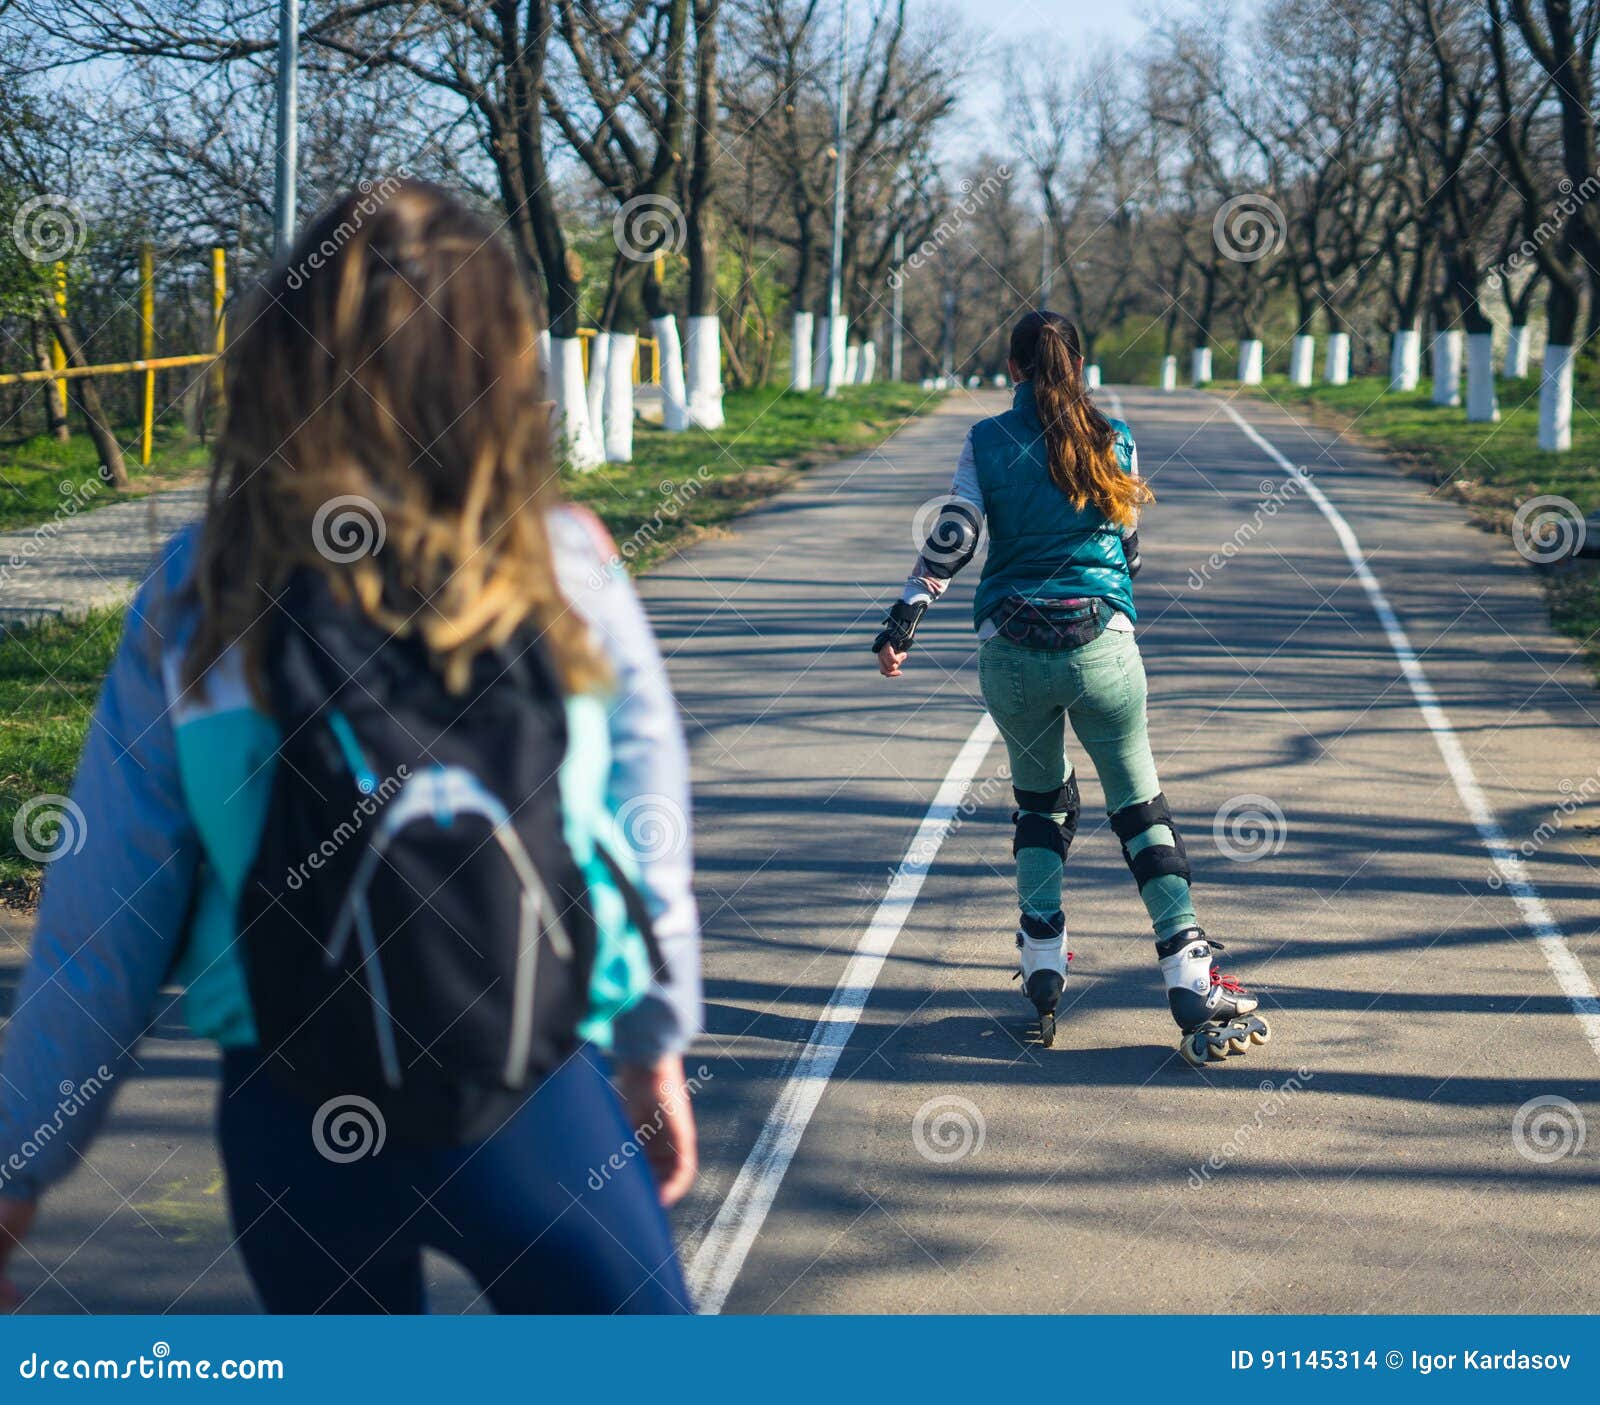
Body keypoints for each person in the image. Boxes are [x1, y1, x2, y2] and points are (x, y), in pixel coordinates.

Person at [0, 181, 701, 1313]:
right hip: (527, 1095)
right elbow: (640, 826)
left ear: (277, 363)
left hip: (290, 1115)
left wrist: (17, 1166)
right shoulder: (564, 563)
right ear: (502, 370)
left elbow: (102, 928)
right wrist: (652, 1043)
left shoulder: (198, 589)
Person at [870, 310, 1270, 1065]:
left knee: (1039, 802)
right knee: (1137, 806)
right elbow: (1132, 555)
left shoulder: (985, 440)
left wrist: (905, 615)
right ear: (1078, 365)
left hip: (1011, 652)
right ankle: (1189, 974)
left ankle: (1043, 961)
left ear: (1012, 369)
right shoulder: (1112, 438)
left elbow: (954, 532)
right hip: (1102, 648)